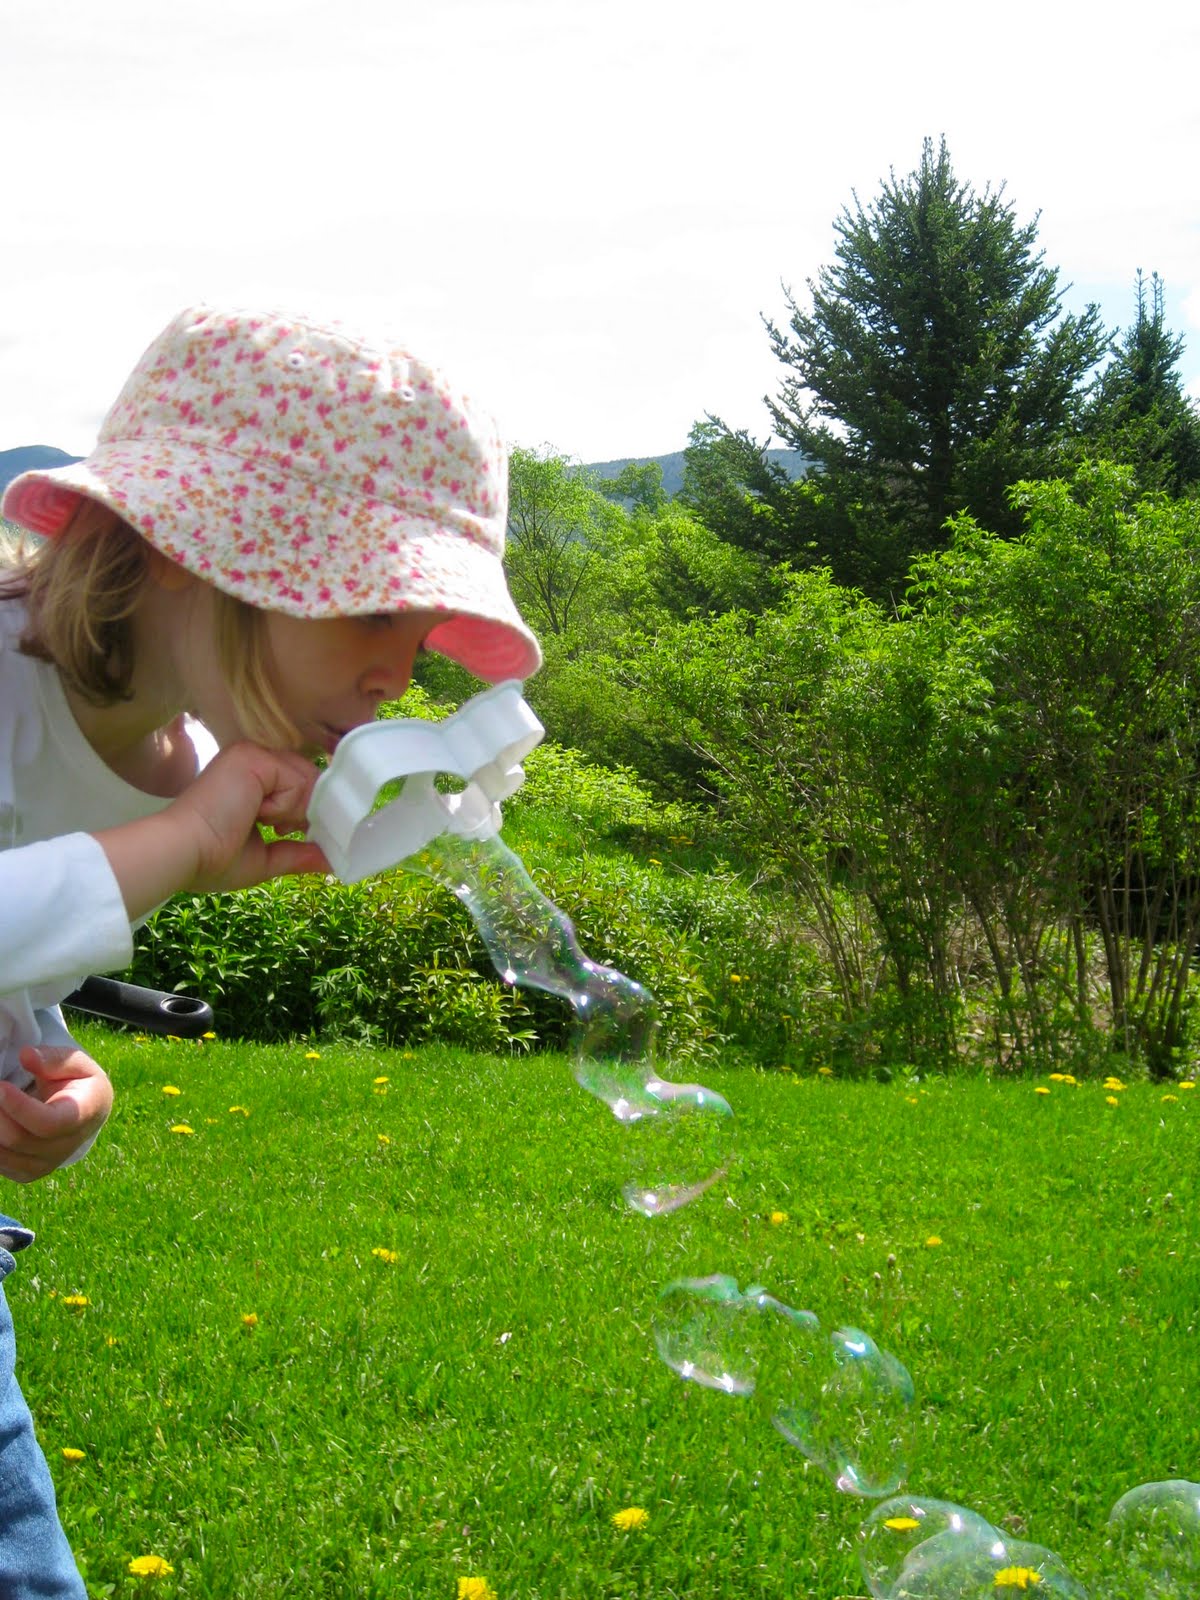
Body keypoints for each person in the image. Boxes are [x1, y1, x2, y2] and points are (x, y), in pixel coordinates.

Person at [0, 302, 541, 1595]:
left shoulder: (173, 764)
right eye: (374, 618)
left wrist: (49, 1072)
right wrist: (179, 846)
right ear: (197, 553)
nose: (400, 680)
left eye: (419, 642)